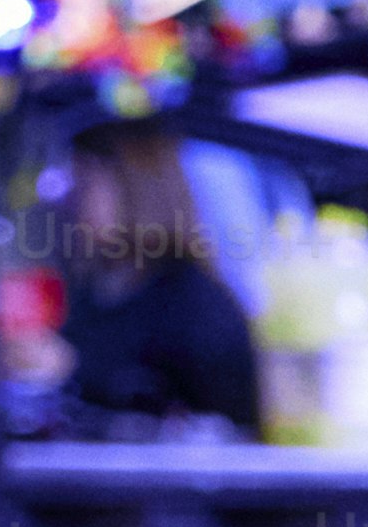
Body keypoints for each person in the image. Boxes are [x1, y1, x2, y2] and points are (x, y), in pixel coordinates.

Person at [46, 121, 264, 433]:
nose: (70, 202)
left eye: (86, 183)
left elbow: (228, 427)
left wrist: (71, 367)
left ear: (138, 188)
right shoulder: (94, 292)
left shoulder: (194, 304)